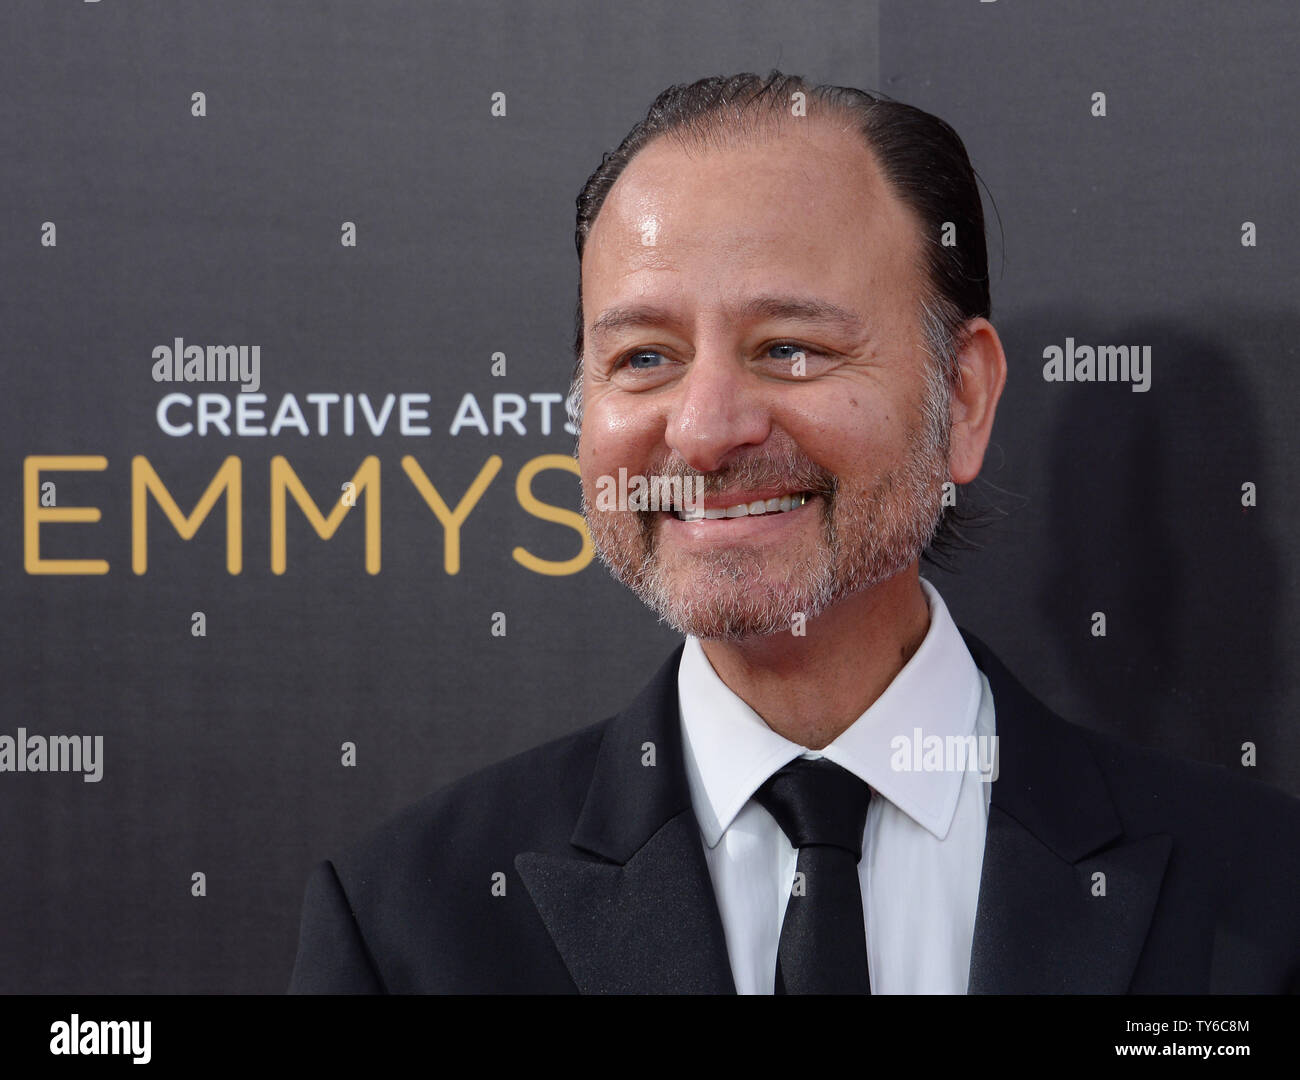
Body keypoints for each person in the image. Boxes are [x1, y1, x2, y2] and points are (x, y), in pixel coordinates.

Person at [288, 71, 1300, 994]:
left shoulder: (1261, 893)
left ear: (964, 396)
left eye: (789, 348)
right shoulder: (409, 924)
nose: (704, 427)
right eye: (643, 357)